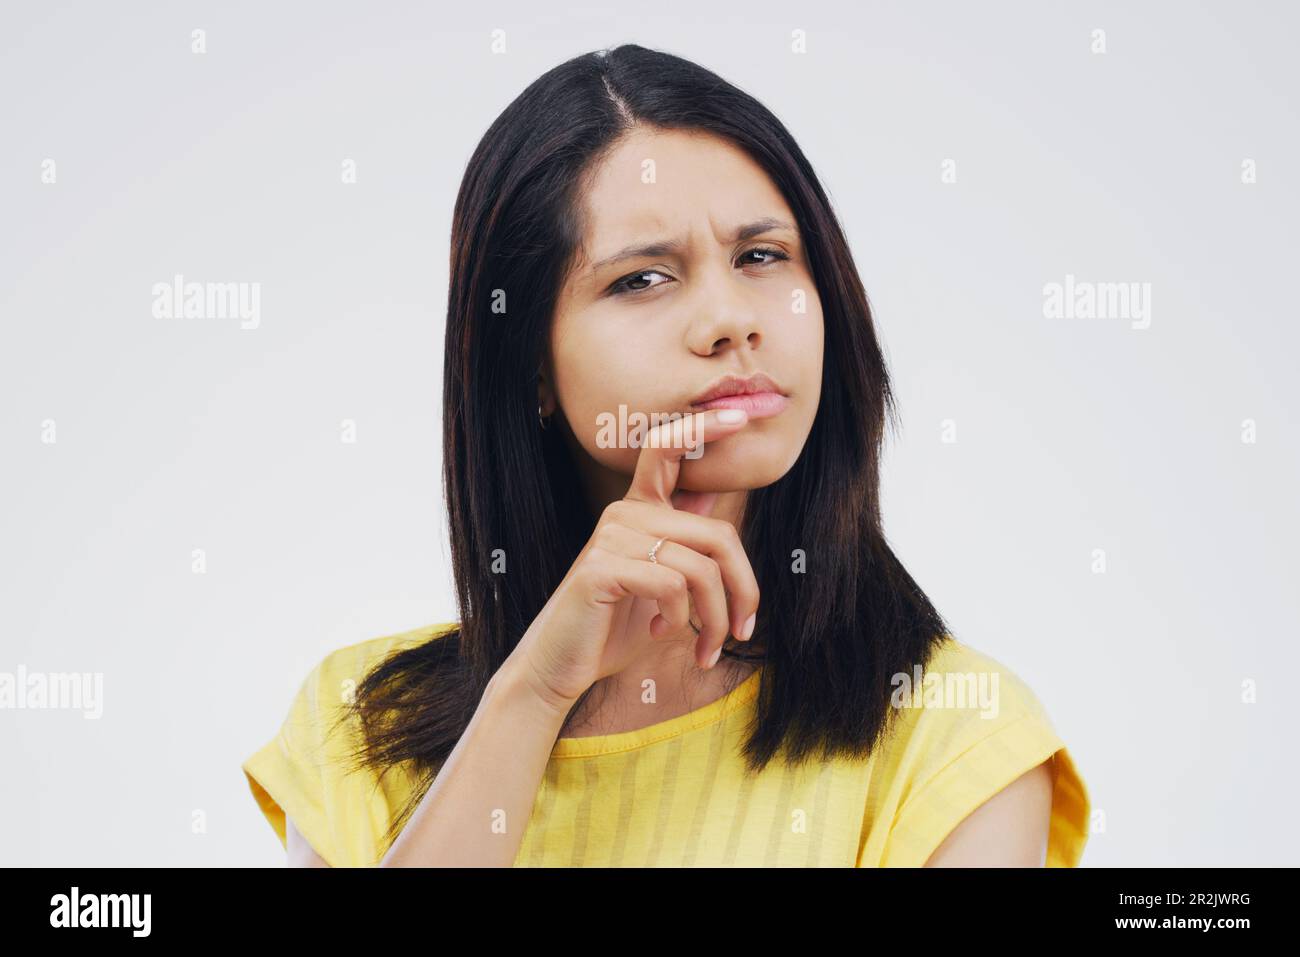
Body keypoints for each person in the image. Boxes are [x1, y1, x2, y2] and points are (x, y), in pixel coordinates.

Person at [242, 43, 1090, 867]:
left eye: (762, 256)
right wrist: (533, 692)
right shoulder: (360, 724)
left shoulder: (956, 741)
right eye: (642, 278)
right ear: (529, 364)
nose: (730, 318)